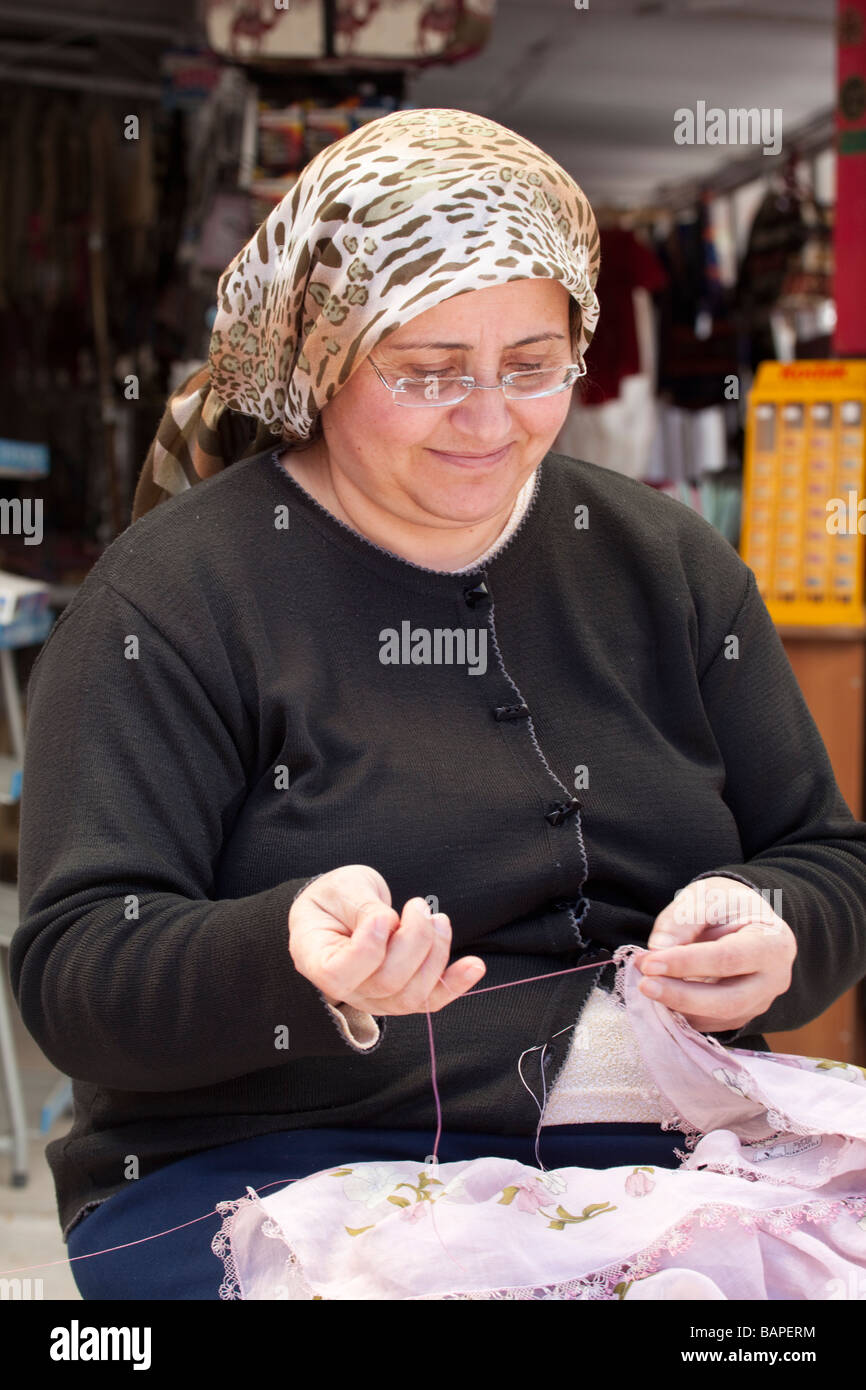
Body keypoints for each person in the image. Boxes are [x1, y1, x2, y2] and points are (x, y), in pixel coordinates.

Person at [11, 108, 866, 1301]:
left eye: (532, 366)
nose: (488, 418)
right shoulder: (174, 600)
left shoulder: (662, 562)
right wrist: (286, 954)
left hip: (682, 1159)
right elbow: (77, 972)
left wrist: (777, 925)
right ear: (320, 357)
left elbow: (824, 857)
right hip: (285, 1169)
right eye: (425, 374)